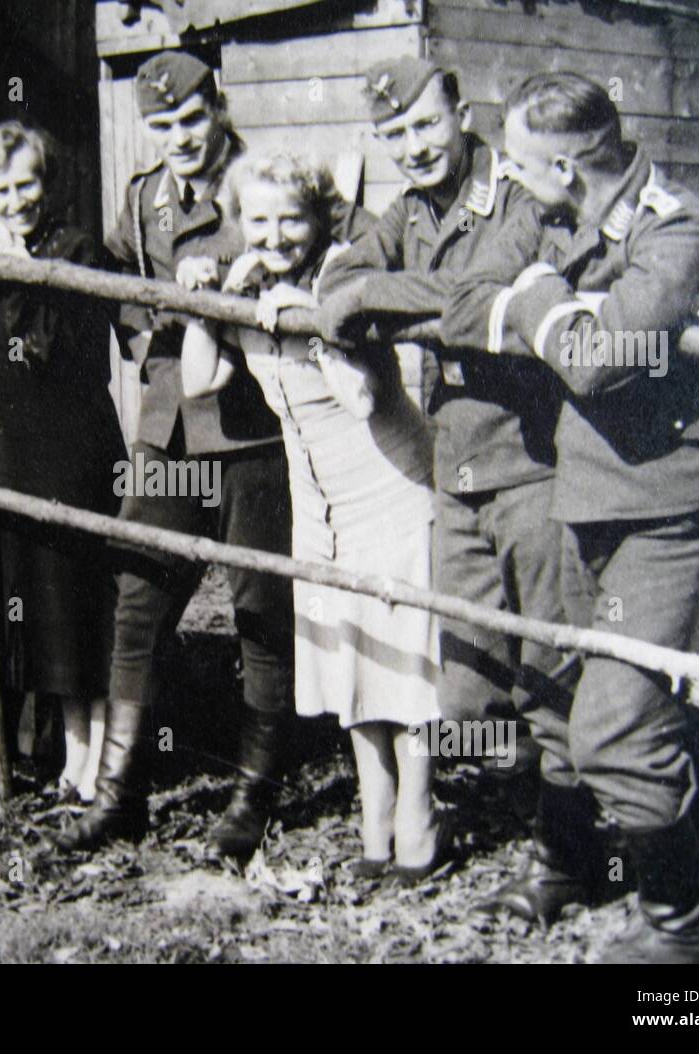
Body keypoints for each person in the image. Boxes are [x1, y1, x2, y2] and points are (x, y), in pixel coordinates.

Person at [440, 72, 699, 963]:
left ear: (568, 165)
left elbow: (601, 360)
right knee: (618, 703)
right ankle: (698, 894)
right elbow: (465, 293)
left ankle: (682, 934)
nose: (504, 175)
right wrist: (552, 307)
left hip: (674, 515)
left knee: (618, 723)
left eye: (519, 162)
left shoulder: (678, 231)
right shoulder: (546, 210)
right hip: (588, 503)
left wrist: (539, 302)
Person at [56, 52, 297, 859]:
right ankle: (121, 793)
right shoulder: (143, 196)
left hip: (251, 428)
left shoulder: (258, 183)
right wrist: (151, 321)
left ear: (218, 110)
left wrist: (225, 290)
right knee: (137, 597)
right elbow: (122, 281)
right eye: (163, 126)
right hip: (168, 427)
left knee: (258, 611)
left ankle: (253, 797)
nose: (180, 139)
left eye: (192, 121)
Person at [181, 153, 446, 878]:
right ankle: (374, 825)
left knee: (407, 666)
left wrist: (310, 319)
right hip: (318, 505)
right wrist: (211, 299)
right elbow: (199, 380)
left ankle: (420, 820)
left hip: (388, 487)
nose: (275, 235)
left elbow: (364, 398)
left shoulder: (345, 274)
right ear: (238, 224)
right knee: (352, 663)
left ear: (319, 216)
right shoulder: (249, 279)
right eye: (258, 221)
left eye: (291, 218)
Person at [318, 58, 568, 815]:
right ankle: (530, 799)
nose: (414, 145)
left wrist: (369, 297)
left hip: (533, 459)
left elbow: (473, 294)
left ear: (462, 114)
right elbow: (337, 278)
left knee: (551, 662)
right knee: (464, 694)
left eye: (425, 124)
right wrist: (355, 289)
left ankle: (569, 844)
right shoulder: (409, 212)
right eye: (394, 134)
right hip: (454, 467)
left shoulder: (517, 196)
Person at [0, 121, 125, 800]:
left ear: (48, 181)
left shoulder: (74, 248)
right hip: (18, 452)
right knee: (41, 603)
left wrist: (17, 270)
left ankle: (93, 758)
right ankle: (72, 751)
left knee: (77, 598)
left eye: (26, 183)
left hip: (72, 449)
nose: (15, 199)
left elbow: (63, 349)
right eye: (0, 188)